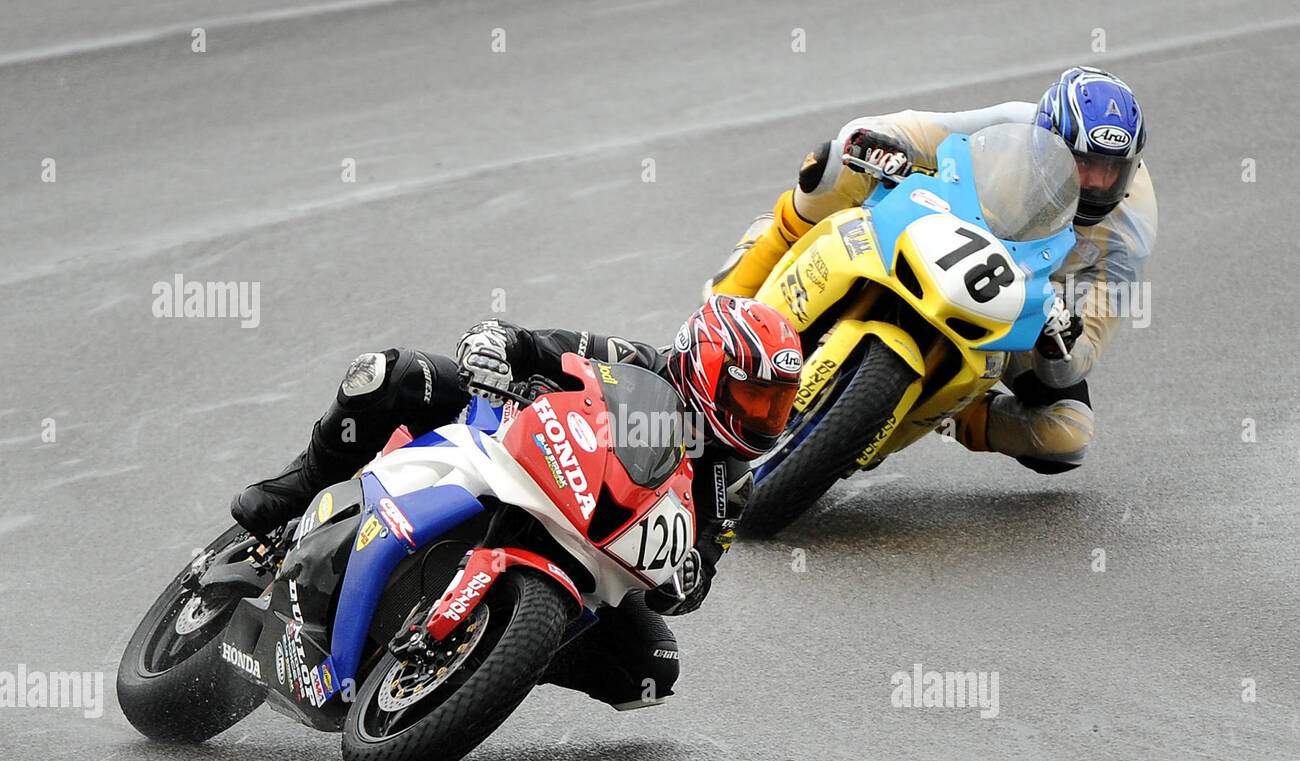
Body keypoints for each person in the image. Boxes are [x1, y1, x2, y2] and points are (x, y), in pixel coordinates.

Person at [230, 294, 801, 709]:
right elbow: (531, 344)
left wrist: (689, 577)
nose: (761, 416)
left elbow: (698, 573)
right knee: (392, 375)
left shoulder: (732, 482)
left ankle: (496, 651)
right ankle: (296, 490)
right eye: (751, 395)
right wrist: (492, 348)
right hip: (505, 442)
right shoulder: (639, 362)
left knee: (653, 665)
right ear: (705, 365)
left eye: (775, 406)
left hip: (589, 554)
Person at [705, 66, 1158, 475]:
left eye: (1111, 172)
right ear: (1049, 140)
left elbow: (1075, 367)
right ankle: (734, 300)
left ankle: (945, 412)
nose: (1096, 185)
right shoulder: (1014, 124)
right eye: (1083, 165)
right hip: (947, 227)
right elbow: (893, 130)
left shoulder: (1129, 235)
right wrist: (882, 148)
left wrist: (1060, 343)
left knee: (1067, 436)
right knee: (831, 165)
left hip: (1022, 301)